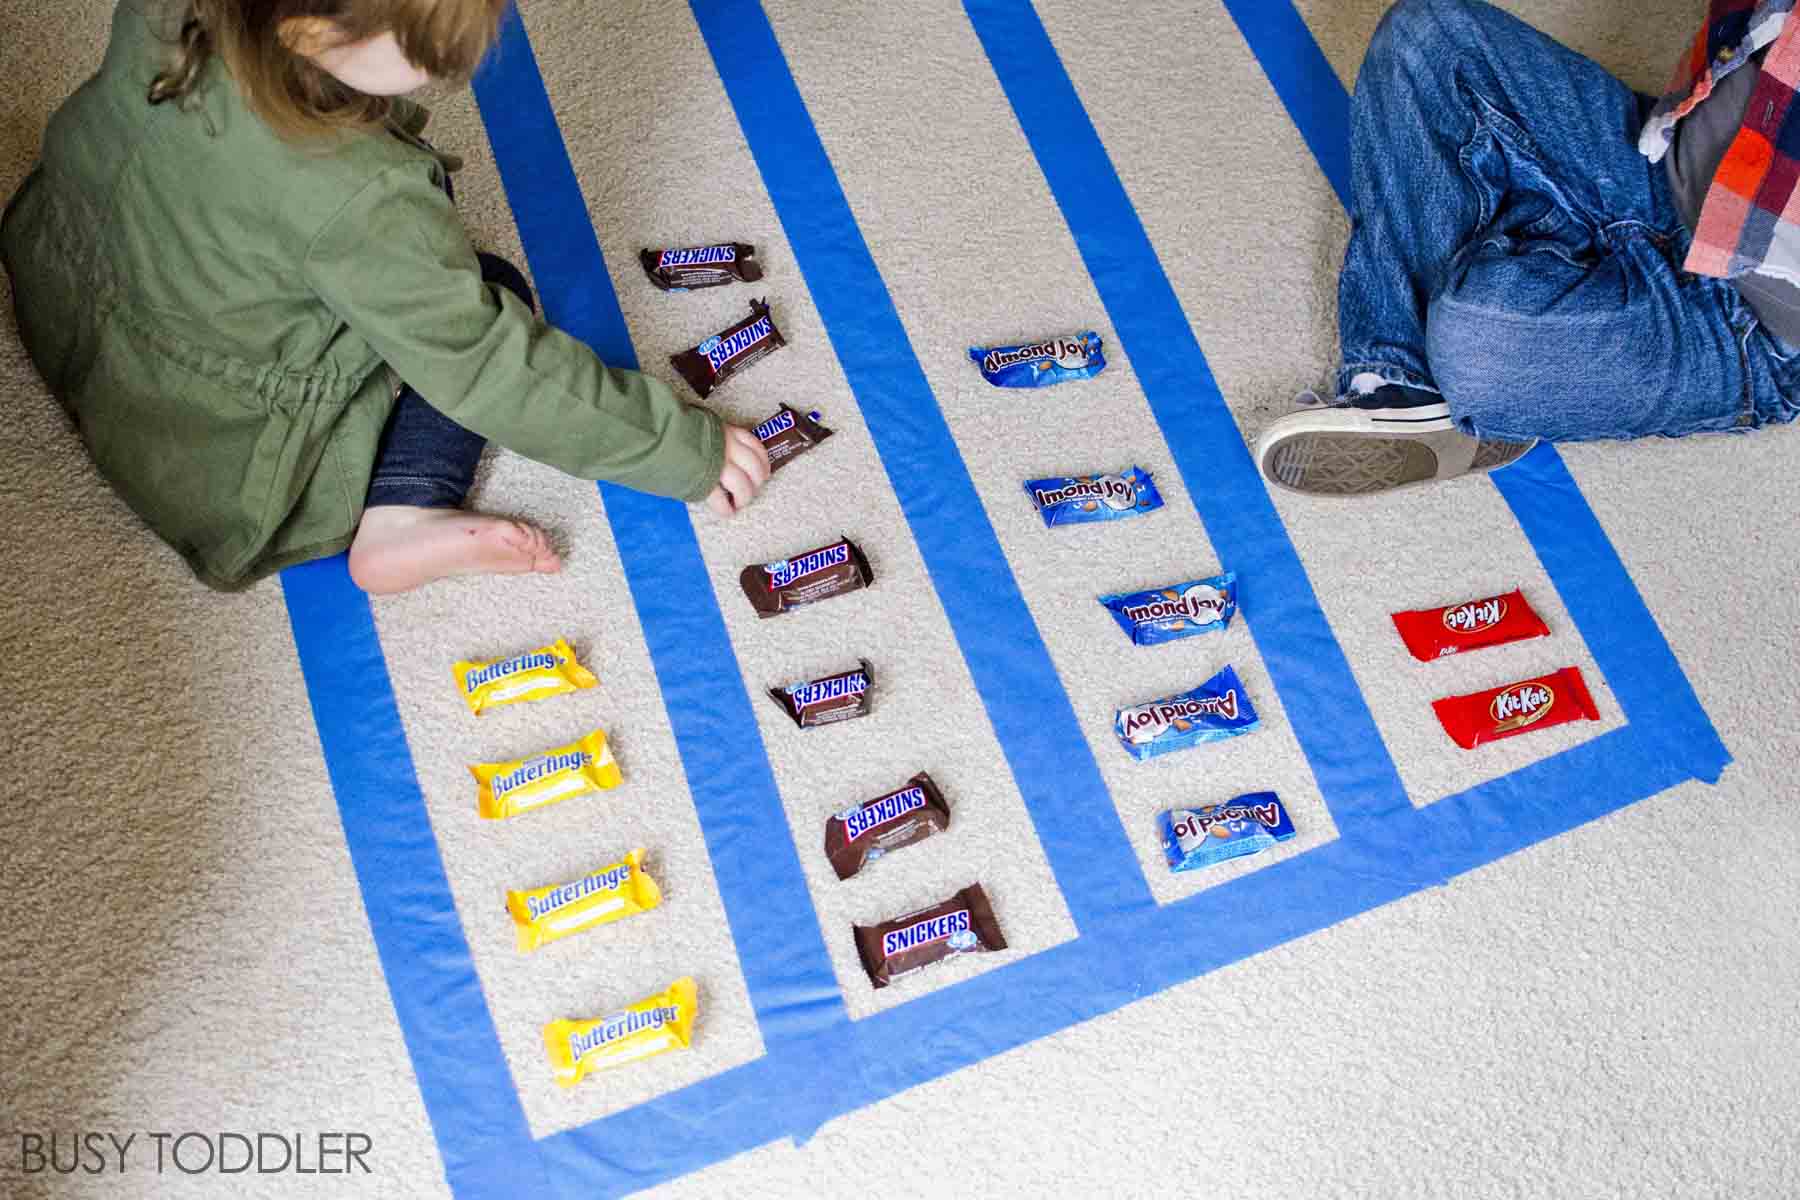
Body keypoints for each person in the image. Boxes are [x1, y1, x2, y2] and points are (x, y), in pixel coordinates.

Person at [1, 0, 770, 594]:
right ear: (305, 29)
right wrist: (679, 450)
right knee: (489, 290)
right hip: (214, 466)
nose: (450, 68)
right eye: (426, 49)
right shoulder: (364, 200)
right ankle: (402, 512)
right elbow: (489, 369)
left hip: (58, 282)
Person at [1255, 0, 1800, 497]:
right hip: (1676, 162)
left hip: (1744, 321)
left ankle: (1516, 259)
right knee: (1426, 37)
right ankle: (1402, 382)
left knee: (1477, 338)